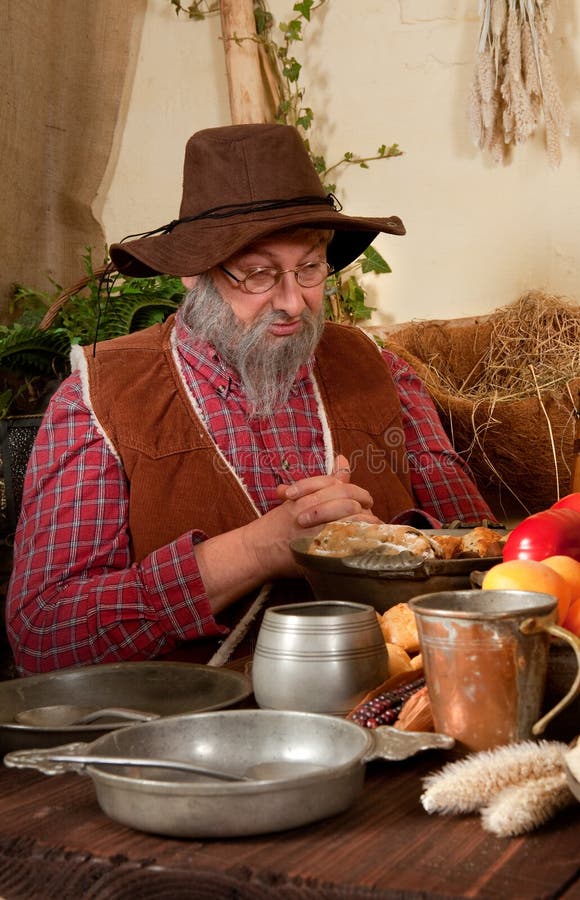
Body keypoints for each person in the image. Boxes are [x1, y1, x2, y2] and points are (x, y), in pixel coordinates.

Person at [6, 123, 495, 675]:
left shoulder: (383, 374)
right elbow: (44, 636)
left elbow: (487, 564)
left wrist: (389, 548)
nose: (292, 301)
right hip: (192, 735)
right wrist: (261, 549)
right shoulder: (97, 401)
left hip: (387, 703)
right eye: (259, 273)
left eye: (309, 267)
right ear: (194, 271)